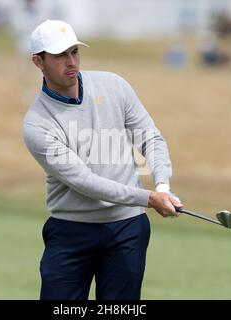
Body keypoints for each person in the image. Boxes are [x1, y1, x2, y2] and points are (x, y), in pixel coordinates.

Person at [22, 20, 183, 300]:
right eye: (61, 55)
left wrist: (162, 186)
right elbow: (85, 182)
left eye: (74, 52)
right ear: (39, 62)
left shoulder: (114, 86)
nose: (71, 62)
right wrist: (148, 199)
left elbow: (150, 139)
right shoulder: (37, 125)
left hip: (127, 229)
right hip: (71, 232)